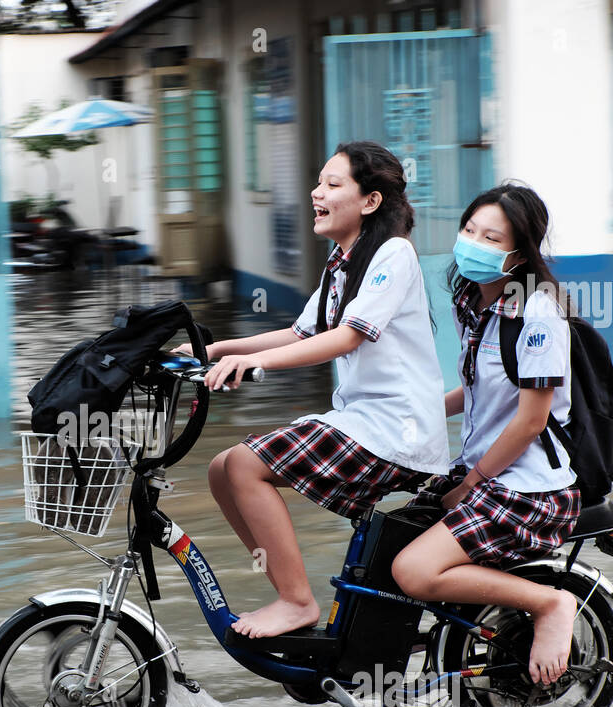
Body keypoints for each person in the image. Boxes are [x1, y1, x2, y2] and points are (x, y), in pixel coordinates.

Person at [180, 141, 449, 639]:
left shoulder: (393, 254)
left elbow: (346, 336)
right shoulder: (341, 261)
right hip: (361, 422)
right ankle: (285, 586)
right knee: (222, 471)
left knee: (244, 464)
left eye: (332, 184)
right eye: (318, 182)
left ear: (370, 201)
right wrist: (215, 350)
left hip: (395, 431)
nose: (315, 193)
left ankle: (296, 601)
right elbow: (302, 333)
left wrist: (253, 361)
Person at [391, 183, 580, 686]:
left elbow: (530, 419)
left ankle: (551, 603)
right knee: (385, 537)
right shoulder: (471, 300)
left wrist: (470, 483)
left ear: (520, 253)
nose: (474, 243)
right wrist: (413, 414)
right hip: (486, 471)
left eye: (492, 238)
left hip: (527, 488)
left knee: (414, 570)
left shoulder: (539, 312)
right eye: (470, 230)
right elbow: (473, 390)